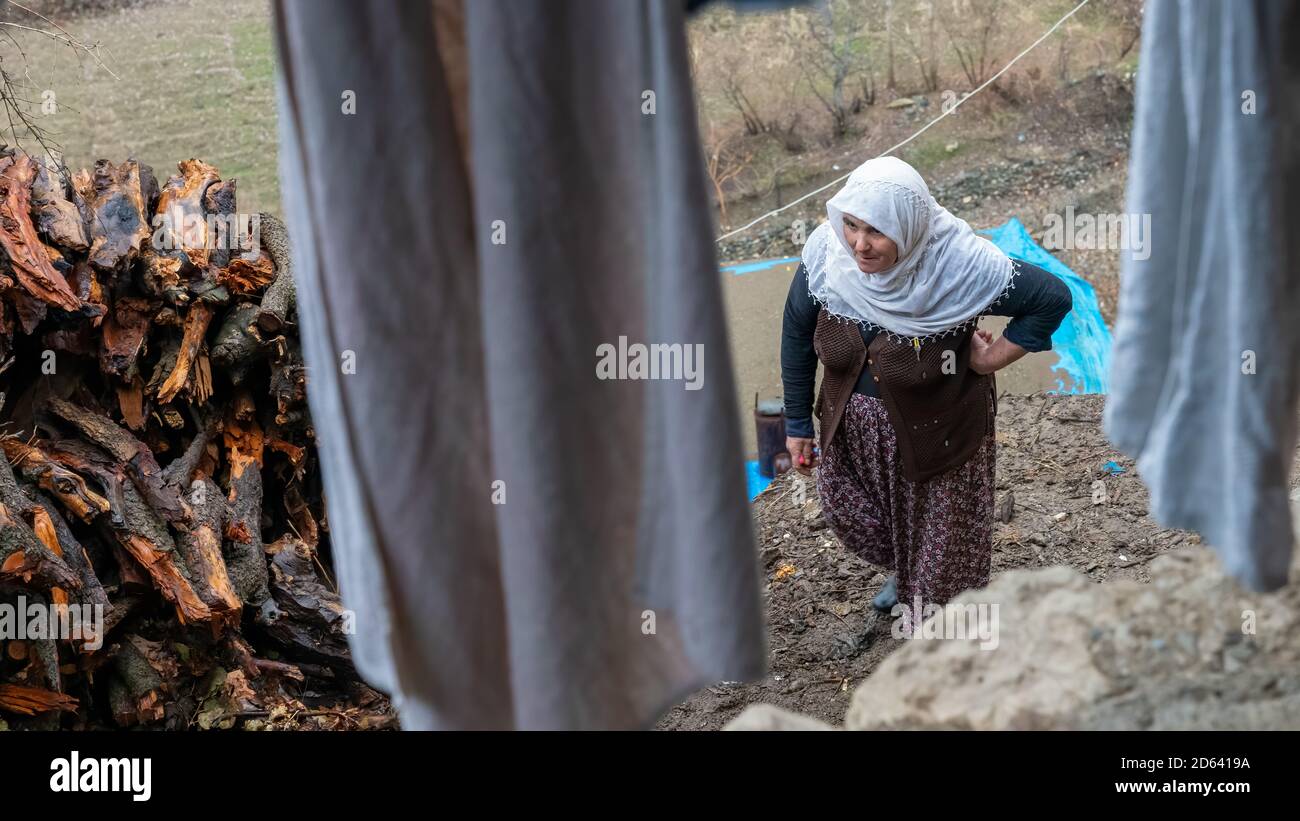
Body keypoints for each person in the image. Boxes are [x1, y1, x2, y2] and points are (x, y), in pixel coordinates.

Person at [780, 156, 1071, 623]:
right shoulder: (825, 258)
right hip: (852, 434)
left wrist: (987, 358)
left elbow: (1052, 299)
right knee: (851, 516)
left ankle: (939, 657)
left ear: (910, 228)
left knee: (940, 576)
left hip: (941, 432)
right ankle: (905, 566)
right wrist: (795, 421)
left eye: (877, 231)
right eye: (850, 224)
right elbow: (796, 334)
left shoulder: (957, 267)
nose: (859, 244)